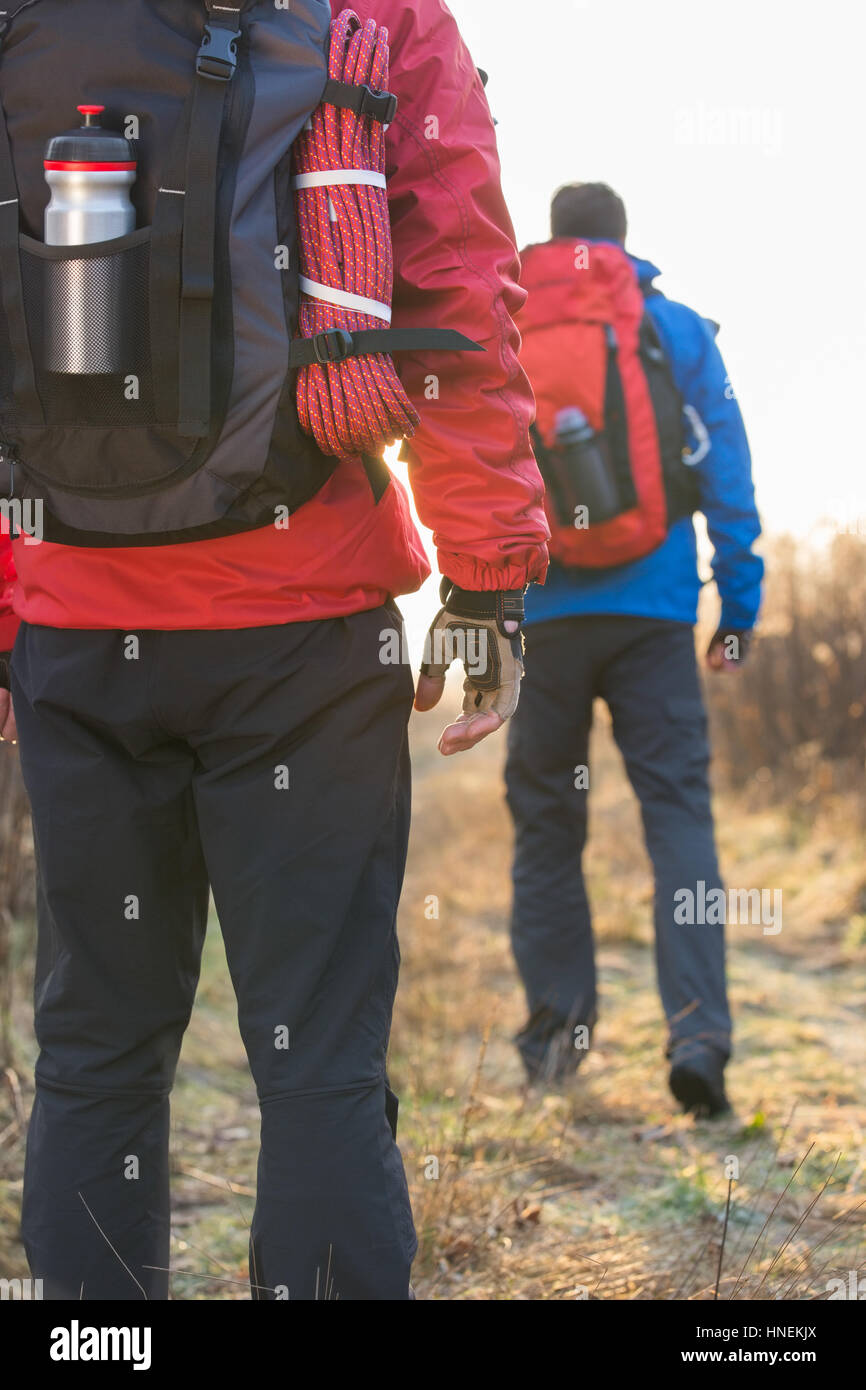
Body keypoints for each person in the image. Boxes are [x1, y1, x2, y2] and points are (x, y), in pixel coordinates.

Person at [0, 0, 547, 1300]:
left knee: (96, 1049)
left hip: (77, 628)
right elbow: (460, 293)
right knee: (316, 1059)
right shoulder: (372, 17)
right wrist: (484, 588)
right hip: (303, 635)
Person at [506, 182, 763, 1115]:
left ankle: (554, 1043)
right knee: (678, 823)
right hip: (655, 617)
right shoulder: (676, 330)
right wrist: (738, 607)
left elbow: (480, 465)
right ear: (620, 244)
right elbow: (727, 468)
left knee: (547, 828)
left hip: (542, 617)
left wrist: (484, 605)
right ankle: (698, 1039)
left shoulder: (509, 323)